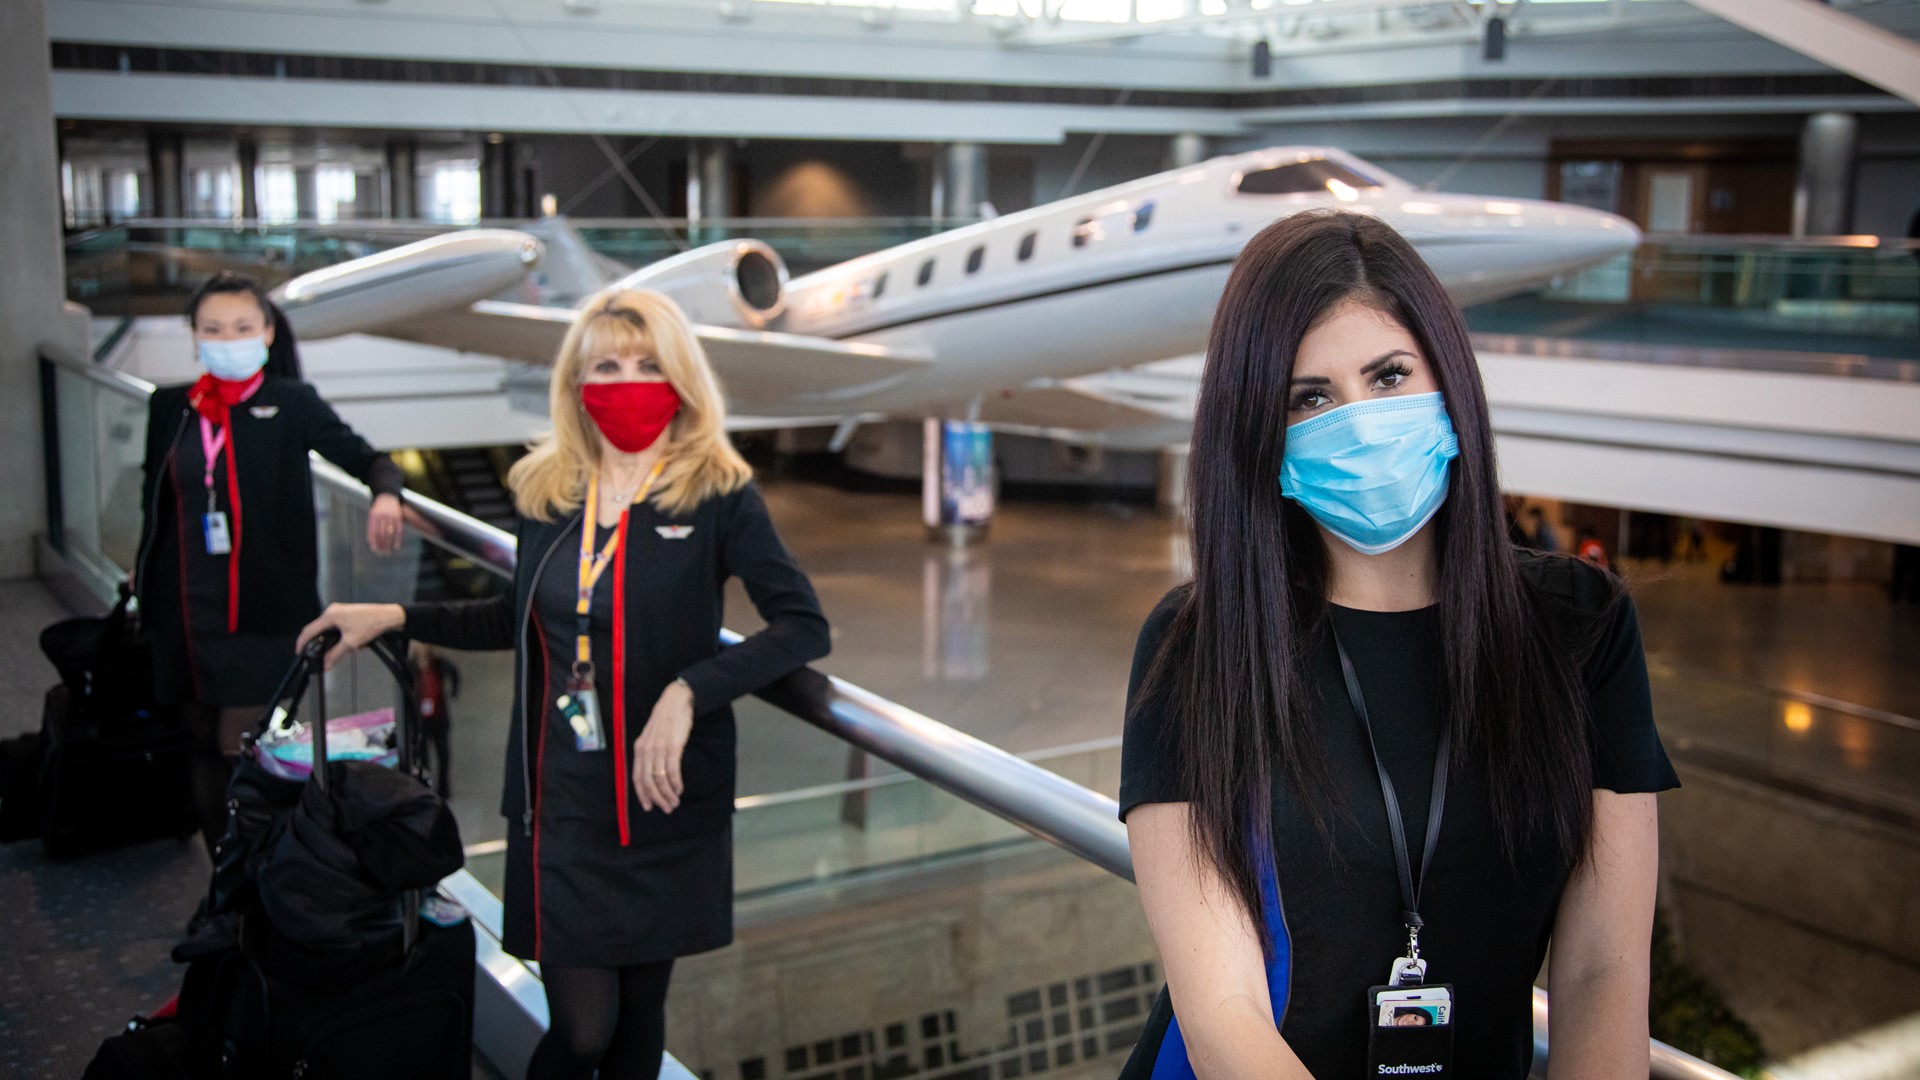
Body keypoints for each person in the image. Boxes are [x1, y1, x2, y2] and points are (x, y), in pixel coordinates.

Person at [1118, 211, 1677, 1080]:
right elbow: (1220, 1013)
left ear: (1448, 380)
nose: (1362, 423)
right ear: (1260, 434)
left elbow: (1604, 973)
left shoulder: (1580, 625)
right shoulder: (1198, 648)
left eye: (1388, 376)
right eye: (1311, 398)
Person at [297, 287, 830, 1080]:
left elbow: (801, 627)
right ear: (577, 383)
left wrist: (690, 692)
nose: (627, 380)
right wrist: (394, 614)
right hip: (563, 800)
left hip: (663, 797)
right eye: (607, 364)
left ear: (681, 375)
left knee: (640, 1019)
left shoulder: (717, 492)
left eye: (648, 364)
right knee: (584, 1029)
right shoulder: (548, 489)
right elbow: (516, 619)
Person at [133, 271, 405, 854]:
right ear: (194, 335)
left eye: (241, 327)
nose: (226, 338)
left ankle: (260, 880)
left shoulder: (290, 403)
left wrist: (386, 493)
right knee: (201, 744)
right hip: (182, 612)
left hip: (262, 618)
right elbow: (154, 502)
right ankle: (224, 879)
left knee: (247, 751)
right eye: (212, 329)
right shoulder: (171, 408)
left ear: (265, 333)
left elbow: (368, 458)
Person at [410, 641, 461, 798]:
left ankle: (443, 788)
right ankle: (426, 787)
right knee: (423, 755)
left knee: (443, 753)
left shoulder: (438, 663)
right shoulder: (411, 666)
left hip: (438, 716)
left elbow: (454, 673)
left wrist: (453, 692)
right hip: (421, 719)